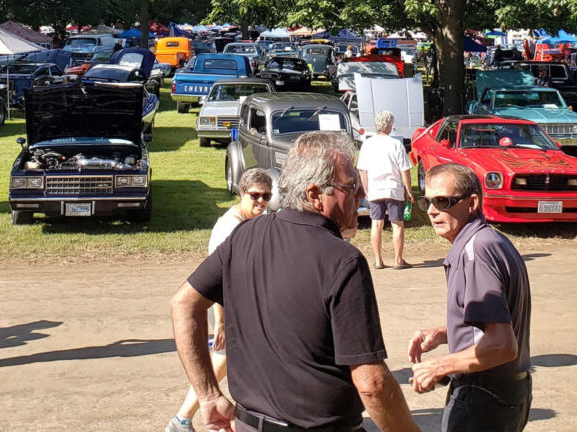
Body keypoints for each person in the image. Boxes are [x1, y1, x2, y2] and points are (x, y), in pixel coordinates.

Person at [171, 131, 420, 432]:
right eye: (351, 186)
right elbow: (371, 382)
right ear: (315, 194)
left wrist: (209, 397)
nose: (362, 195)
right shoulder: (343, 261)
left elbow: (184, 303)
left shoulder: (245, 235)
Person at [409, 162, 532, 432]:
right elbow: (497, 322)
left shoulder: (475, 252)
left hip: (483, 398)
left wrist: (438, 367)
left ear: (472, 202)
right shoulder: (490, 240)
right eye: (426, 202)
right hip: (507, 394)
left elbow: (502, 345)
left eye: (442, 201)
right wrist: (444, 334)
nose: (431, 211)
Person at [165, 168, 274, 432]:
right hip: (228, 308)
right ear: (242, 193)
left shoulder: (259, 219)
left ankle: (184, 418)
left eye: (266, 196)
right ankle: (182, 419)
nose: (261, 201)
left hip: (246, 306)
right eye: (255, 195)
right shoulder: (230, 227)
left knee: (228, 363)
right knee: (222, 362)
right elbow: (217, 281)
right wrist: (221, 324)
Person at [358, 110, 414, 270]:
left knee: (376, 224)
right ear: (389, 125)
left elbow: (362, 170)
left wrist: (367, 189)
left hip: (375, 190)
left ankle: (378, 260)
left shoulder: (367, 144)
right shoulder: (396, 144)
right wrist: (409, 191)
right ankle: (398, 260)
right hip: (393, 189)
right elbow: (405, 169)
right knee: (397, 224)